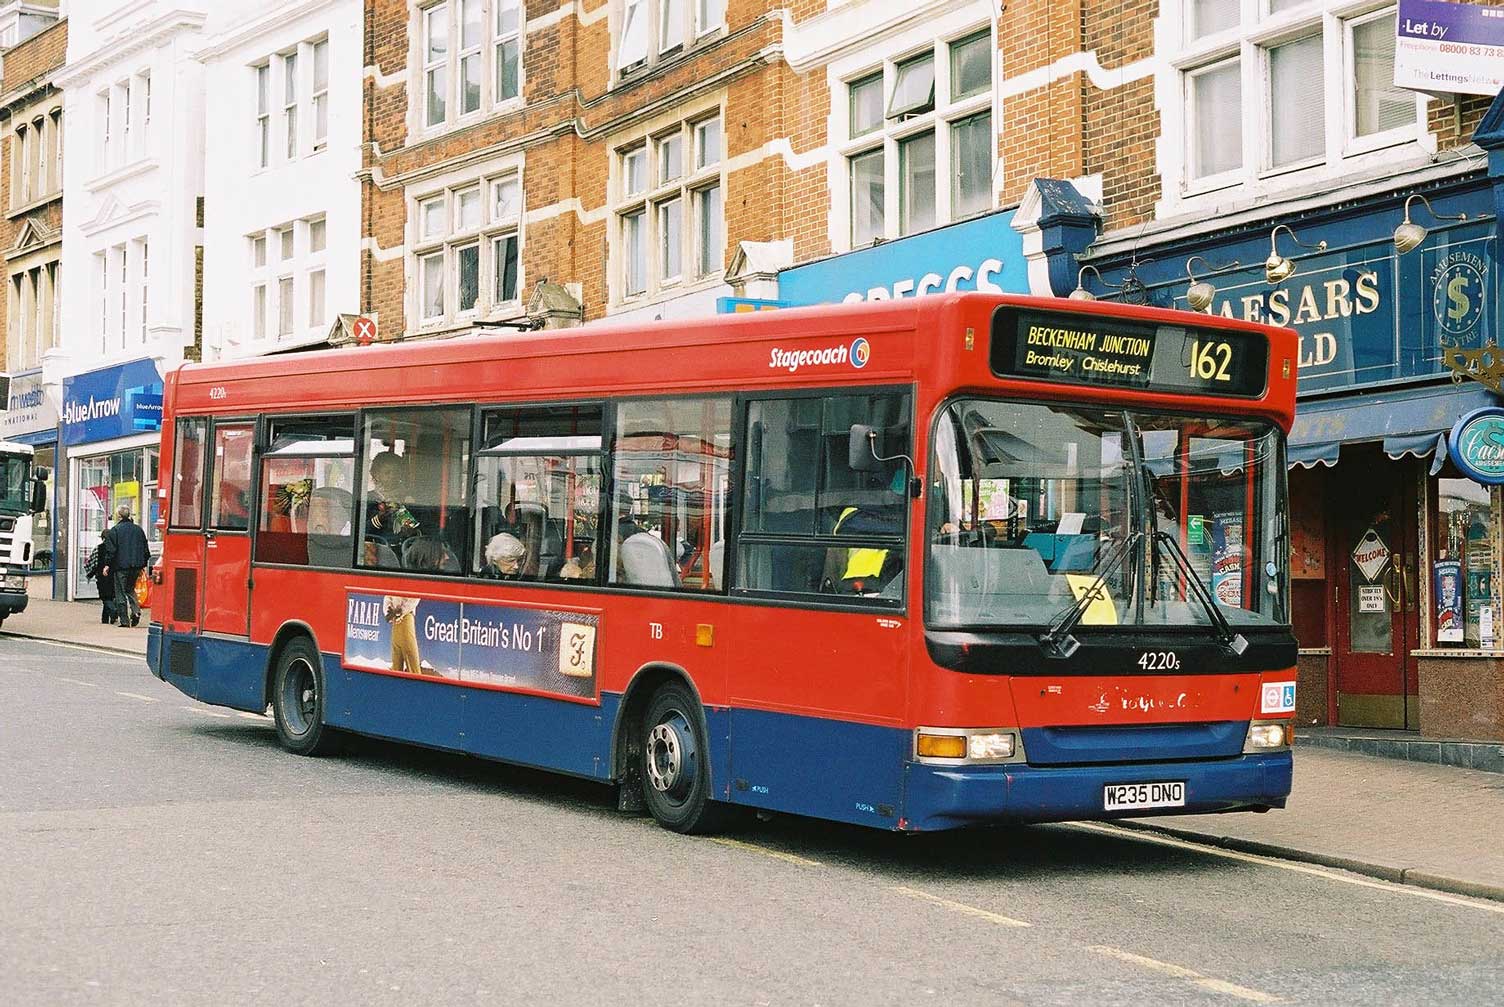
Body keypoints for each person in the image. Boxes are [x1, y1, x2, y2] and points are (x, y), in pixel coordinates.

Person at [99, 503, 150, 627]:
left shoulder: (115, 531)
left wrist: (107, 565)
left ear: (119, 516)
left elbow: (111, 551)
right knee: (130, 589)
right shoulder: (139, 530)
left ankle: (124, 620)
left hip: (121, 566)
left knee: (120, 592)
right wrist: (143, 564)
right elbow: (146, 550)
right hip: (136, 566)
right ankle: (136, 611)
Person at [86, 522, 116, 625]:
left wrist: (89, 574)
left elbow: (92, 563)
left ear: (102, 537)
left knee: (105, 597)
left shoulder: (99, 548)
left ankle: (113, 612)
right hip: (114, 576)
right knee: (111, 597)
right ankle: (106, 620)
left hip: (102, 577)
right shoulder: (116, 549)